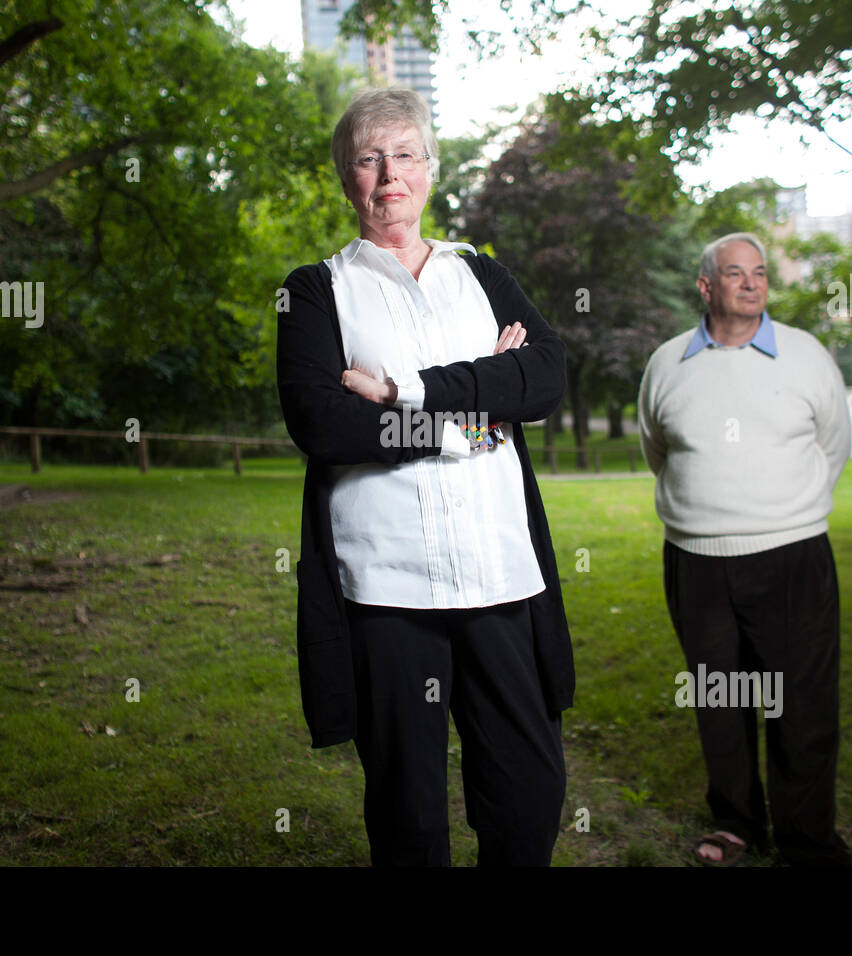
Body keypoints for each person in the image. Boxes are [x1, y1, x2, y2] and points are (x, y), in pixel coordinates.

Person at [276, 87, 574, 867]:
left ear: (430, 171)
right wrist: (473, 415)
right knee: (408, 806)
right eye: (368, 159)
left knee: (529, 788)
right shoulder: (315, 290)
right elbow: (324, 423)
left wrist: (405, 392)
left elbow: (543, 380)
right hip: (387, 585)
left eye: (405, 155)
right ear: (347, 178)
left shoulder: (480, 273)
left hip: (499, 574)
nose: (389, 175)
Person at [638, 232, 852, 867]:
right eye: (736, 273)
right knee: (720, 700)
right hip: (697, 563)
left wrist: (783, 514)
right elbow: (659, 449)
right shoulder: (667, 362)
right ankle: (735, 823)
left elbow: (832, 444)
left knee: (802, 706)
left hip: (792, 557)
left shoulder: (807, 355)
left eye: (759, 272)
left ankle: (807, 842)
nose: (753, 283)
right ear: (707, 286)